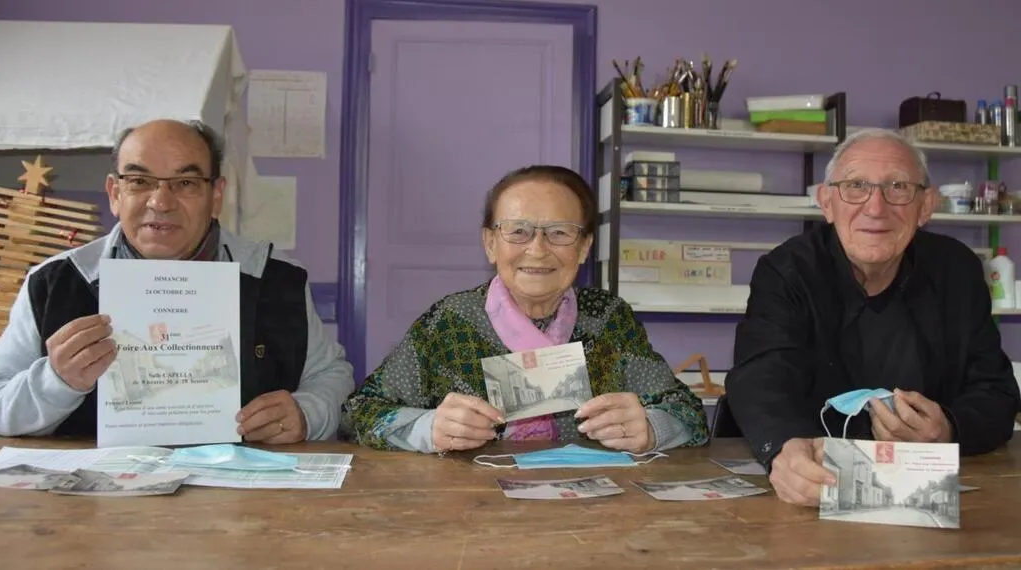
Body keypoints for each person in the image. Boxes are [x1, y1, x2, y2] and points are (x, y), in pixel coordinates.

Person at [0, 119, 355, 443]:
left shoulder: (276, 279)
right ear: (114, 194)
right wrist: (56, 382)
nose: (161, 201)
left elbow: (333, 378)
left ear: (215, 196)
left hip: (245, 505)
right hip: (90, 505)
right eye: (139, 181)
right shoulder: (55, 283)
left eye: (185, 183)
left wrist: (307, 413)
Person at [725, 128, 1020, 506]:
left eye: (898, 187)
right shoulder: (788, 270)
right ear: (827, 202)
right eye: (856, 186)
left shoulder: (956, 270)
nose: (876, 207)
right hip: (815, 486)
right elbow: (761, 376)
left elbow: (996, 391)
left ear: (926, 206)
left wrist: (948, 426)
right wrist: (785, 448)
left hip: (925, 498)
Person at [343, 165, 709, 453]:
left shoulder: (608, 319)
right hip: (471, 514)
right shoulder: (449, 322)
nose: (537, 249)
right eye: (518, 231)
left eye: (560, 232)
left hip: (591, 513)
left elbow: (690, 415)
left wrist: (652, 427)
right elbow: (359, 411)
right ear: (490, 244)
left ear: (583, 248)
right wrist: (427, 429)